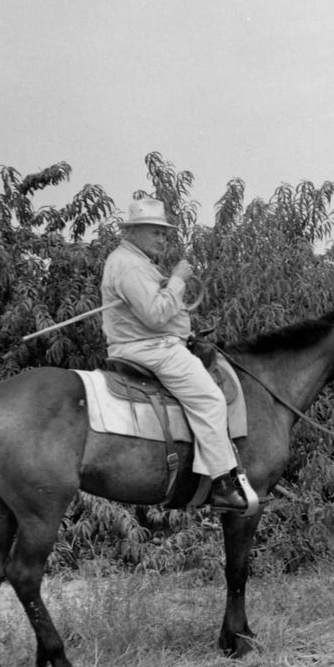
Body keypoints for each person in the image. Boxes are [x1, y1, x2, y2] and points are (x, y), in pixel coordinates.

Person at [101, 193, 255, 514]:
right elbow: (155, 315)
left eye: (164, 232)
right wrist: (178, 280)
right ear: (132, 232)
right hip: (151, 349)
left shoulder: (135, 262)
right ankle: (223, 484)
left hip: (151, 343)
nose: (163, 238)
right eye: (155, 231)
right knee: (211, 400)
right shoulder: (129, 265)